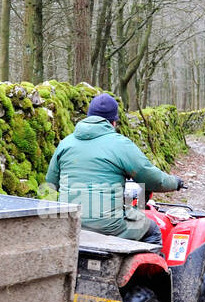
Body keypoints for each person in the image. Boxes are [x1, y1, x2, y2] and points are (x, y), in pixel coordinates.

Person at [43, 93, 184, 244]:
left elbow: (51, 182)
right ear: (113, 122)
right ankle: (159, 268)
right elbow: (154, 180)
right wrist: (175, 182)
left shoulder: (65, 143)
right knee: (153, 230)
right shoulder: (120, 144)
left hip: (69, 224)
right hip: (109, 226)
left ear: (88, 117)